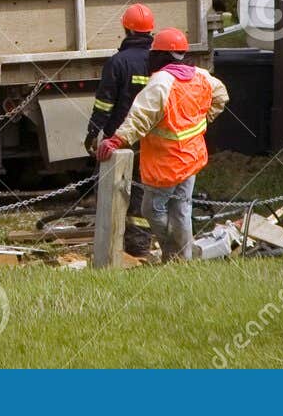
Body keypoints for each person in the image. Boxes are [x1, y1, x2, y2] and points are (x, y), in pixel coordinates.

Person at [96, 27, 229, 263]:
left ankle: (174, 252)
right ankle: (183, 258)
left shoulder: (161, 82)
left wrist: (117, 139)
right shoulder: (201, 76)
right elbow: (220, 96)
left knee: (152, 210)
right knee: (181, 209)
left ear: (160, 55)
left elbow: (140, 116)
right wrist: (204, 118)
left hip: (166, 161)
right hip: (191, 157)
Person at [84, 3, 157, 257]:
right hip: (151, 139)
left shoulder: (117, 63)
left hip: (119, 139)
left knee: (111, 189)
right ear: (150, 30)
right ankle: (140, 245)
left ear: (126, 28)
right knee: (142, 190)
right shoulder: (159, 61)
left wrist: (93, 133)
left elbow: (104, 104)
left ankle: (111, 244)